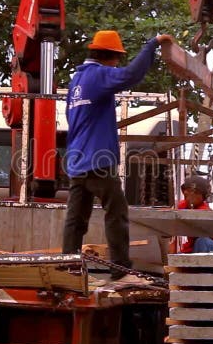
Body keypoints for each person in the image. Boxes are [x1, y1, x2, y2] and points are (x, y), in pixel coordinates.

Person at [62, 30, 174, 284]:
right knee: (116, 211)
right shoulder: (99, 75)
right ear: (108, 57)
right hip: (98, 161)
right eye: (116, 59)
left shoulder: (77, 81)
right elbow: (130, 75)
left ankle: (66, 268)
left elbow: (73, 120)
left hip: (77, 161)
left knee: (76, 219)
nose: (117, 64)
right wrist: (152, 43)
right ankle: (120, 269)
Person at [173, 175, 213, 253]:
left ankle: (198, 264)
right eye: (186, 190)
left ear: (201, 196)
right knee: (178, 257)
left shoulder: (204, 211)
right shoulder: (183, 205)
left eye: (191, 191)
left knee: (202, 241)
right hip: (196, 246)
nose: (186, 192)